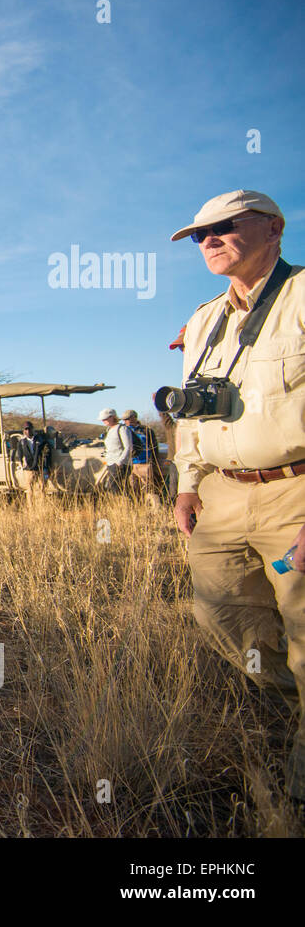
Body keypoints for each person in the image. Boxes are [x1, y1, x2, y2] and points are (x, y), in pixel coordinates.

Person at [167, 189, 305, 800]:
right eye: (200, 235)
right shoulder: (203, 319)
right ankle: (284, 722)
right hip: (222, 496)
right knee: (223, 616)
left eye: (225, 227)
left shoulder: (301, 297)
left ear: (274, 227)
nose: (210, 240)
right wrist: (188, 484)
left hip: (294, 491)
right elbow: (193, 414)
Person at [97, 408, 132, 493]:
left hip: (120, 464)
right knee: (118, 488)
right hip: (111, 463)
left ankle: (126, 503)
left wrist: (119, 462)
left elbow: (128, 447)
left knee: (114, 487)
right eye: (102, 419)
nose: (103, 421)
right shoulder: (109, 430)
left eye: (105, 418)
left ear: (112, 417)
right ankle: (127, 503)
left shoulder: (122, 429)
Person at [15, 421, 50, 503]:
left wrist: (46, 466)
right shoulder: (22, 442)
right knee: (30, 489)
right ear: (24, 431)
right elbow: (19, 454)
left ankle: (42, 505)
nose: (28, 431)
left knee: (43, 488)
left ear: (33, 429)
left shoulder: (40, 440)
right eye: (26, 429)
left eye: (29, 429)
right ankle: (31, 507)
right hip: (29, 469)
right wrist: (22, 464)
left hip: (40, 467)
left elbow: (47, 452)